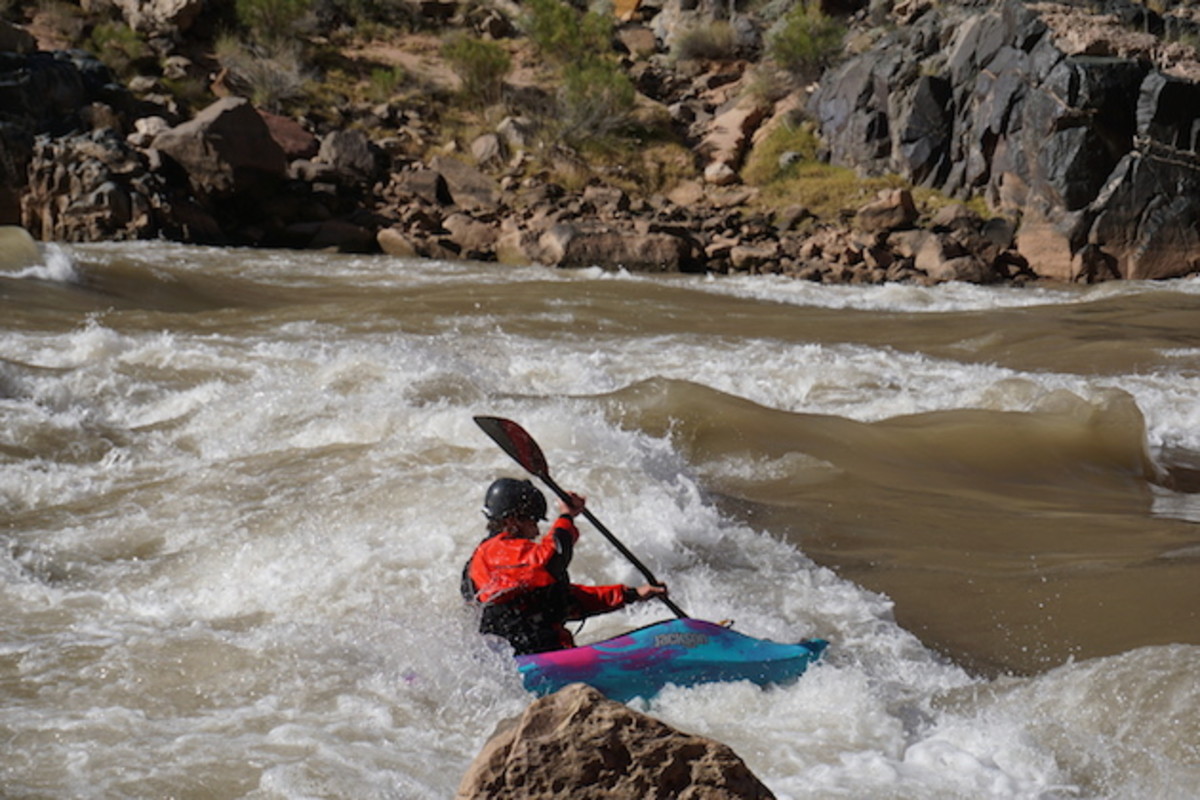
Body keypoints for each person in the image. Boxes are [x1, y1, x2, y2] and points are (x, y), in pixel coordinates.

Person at [461, 477, 668, 655]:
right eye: (533, 522)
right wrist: (566, 516)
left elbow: (567, 601)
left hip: (535, 656)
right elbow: (551, 560)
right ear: (512, 520)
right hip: (523, 663)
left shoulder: (509, 565)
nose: (536, 532)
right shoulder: (494, 552)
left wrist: (631, 595)